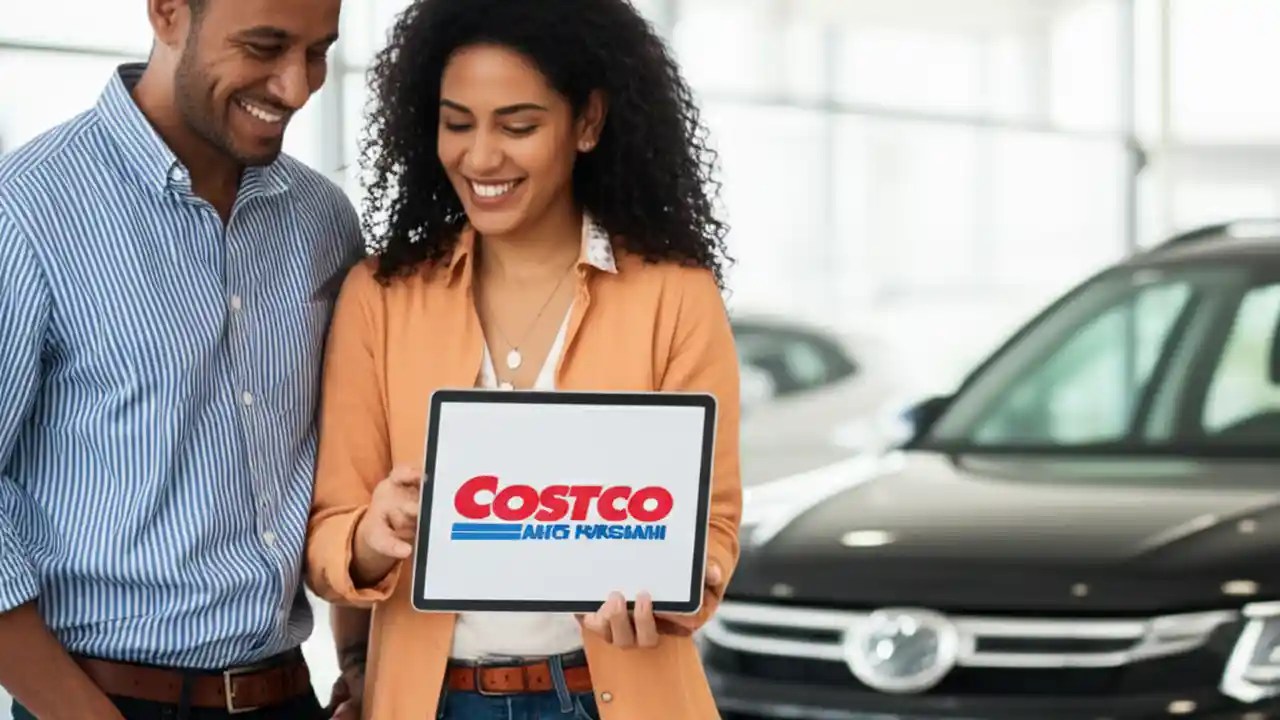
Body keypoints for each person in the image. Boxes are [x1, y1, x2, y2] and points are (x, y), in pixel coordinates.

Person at [304, 0, 742, 717]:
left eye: (518, 126)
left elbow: (712, 529)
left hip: (618, 697)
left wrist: (670, 594)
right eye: (457, 123)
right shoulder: (380, 297)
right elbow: (328, 535)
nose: (480, 158)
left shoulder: (676, 296)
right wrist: (372, 536)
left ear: (587, 122)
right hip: (434, 700)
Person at [0, 0, 366, 718]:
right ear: (167, 12)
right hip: (101, 698)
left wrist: (360, 669)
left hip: (289, 693)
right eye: (263, 46)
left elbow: (350, 471)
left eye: (318, 52)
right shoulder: (26, 211)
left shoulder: (323, 221)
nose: (296, 87)